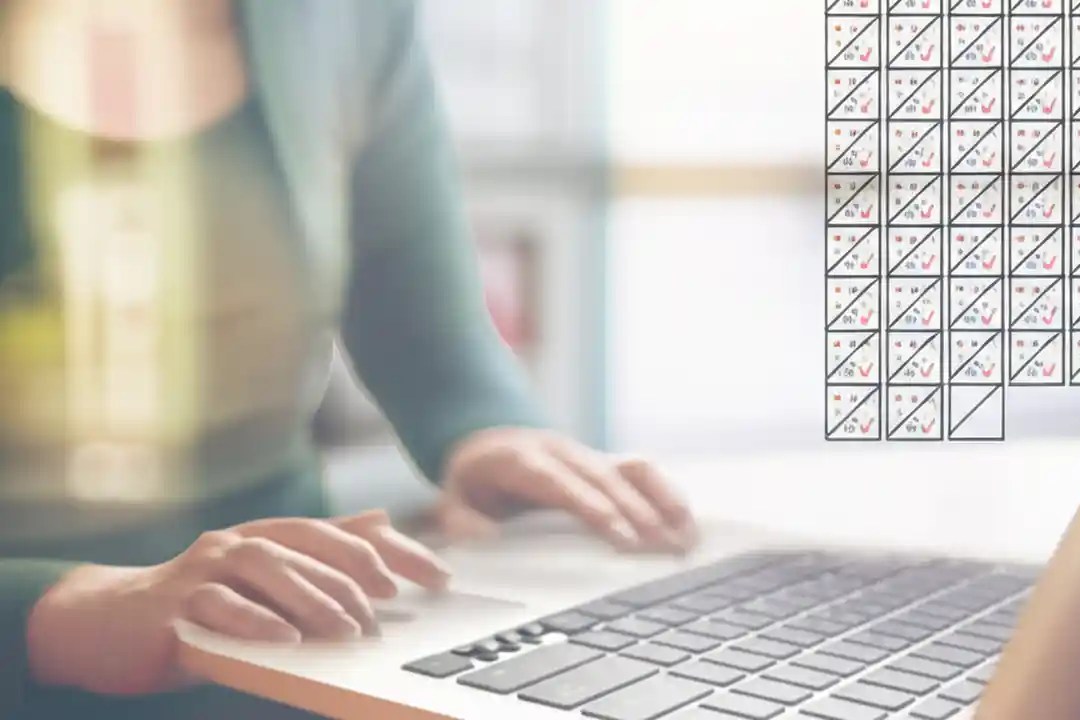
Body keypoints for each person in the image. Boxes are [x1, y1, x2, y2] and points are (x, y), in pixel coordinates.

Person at [0, 1, 696, 717]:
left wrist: (493, 434)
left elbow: (418, 315)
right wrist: (58, 608)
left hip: (306, 636)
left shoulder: (350, 16)